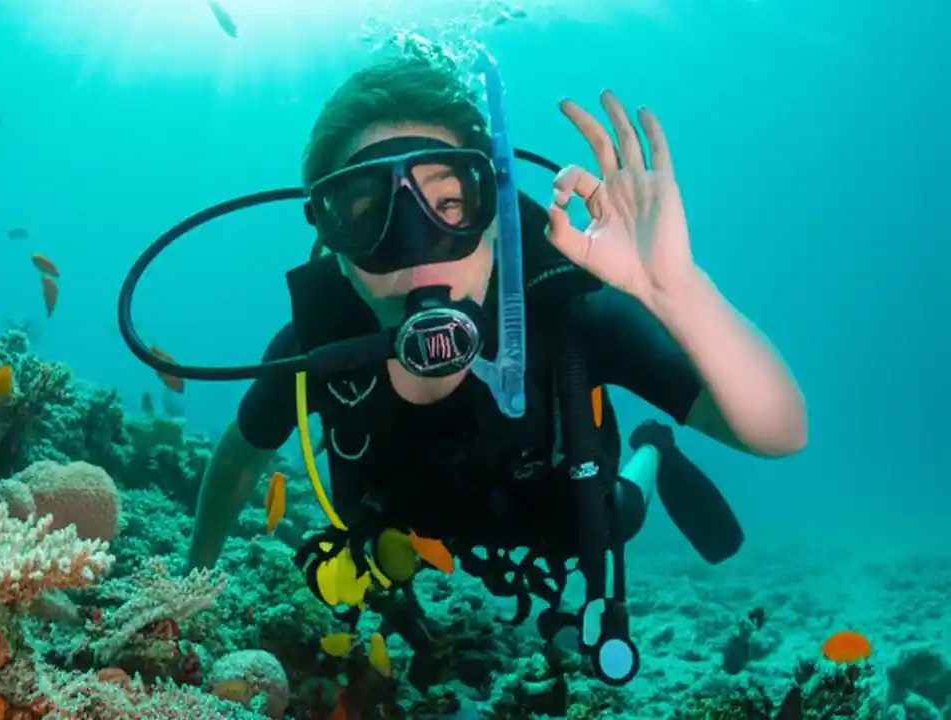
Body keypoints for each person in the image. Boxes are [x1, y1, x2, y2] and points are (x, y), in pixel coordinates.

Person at [180, 52, 807, 682]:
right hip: (412, 530)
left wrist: (679, 289)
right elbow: (237, 461)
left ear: (495, 212)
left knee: (622, 514)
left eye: (449, 202)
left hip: (557, 512)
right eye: (369, 214)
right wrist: (189, 596)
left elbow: (780, 432)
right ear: (330, 238)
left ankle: (653, 448)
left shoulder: (570, 317)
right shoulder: (314, 353)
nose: (417, 245)